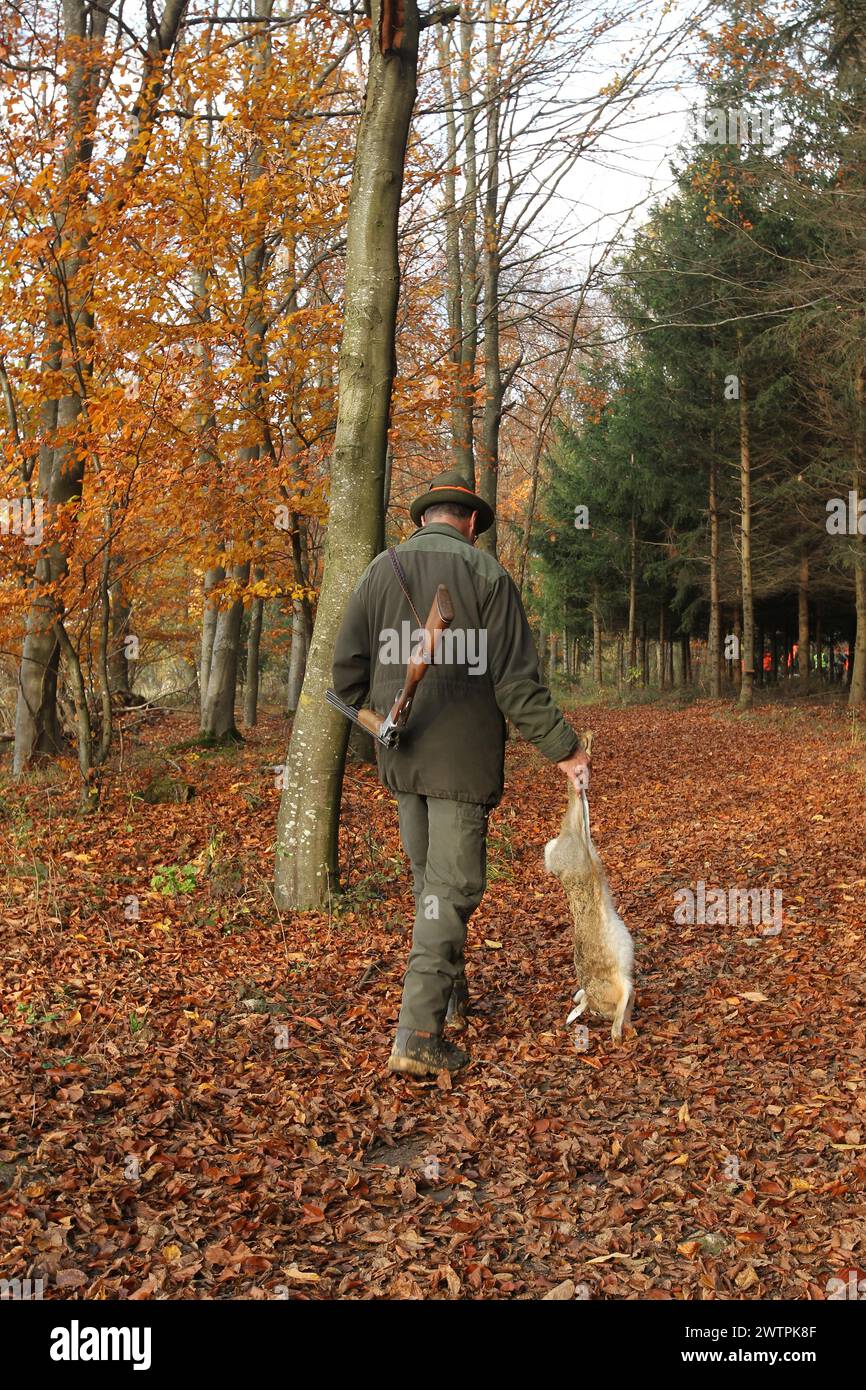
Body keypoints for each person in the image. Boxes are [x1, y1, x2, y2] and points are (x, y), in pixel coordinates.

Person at [332, 469, 590, 1076]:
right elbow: (516, 684)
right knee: (451, 891)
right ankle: (418, 1034)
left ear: (425, 516)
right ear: (471, 520)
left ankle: (449, 1000)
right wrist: (566, 749)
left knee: (431, 886)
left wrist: (381, 726)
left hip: (401, 759)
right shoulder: (488, 577)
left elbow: (343, 687)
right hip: (461, 762)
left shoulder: (377, 572)